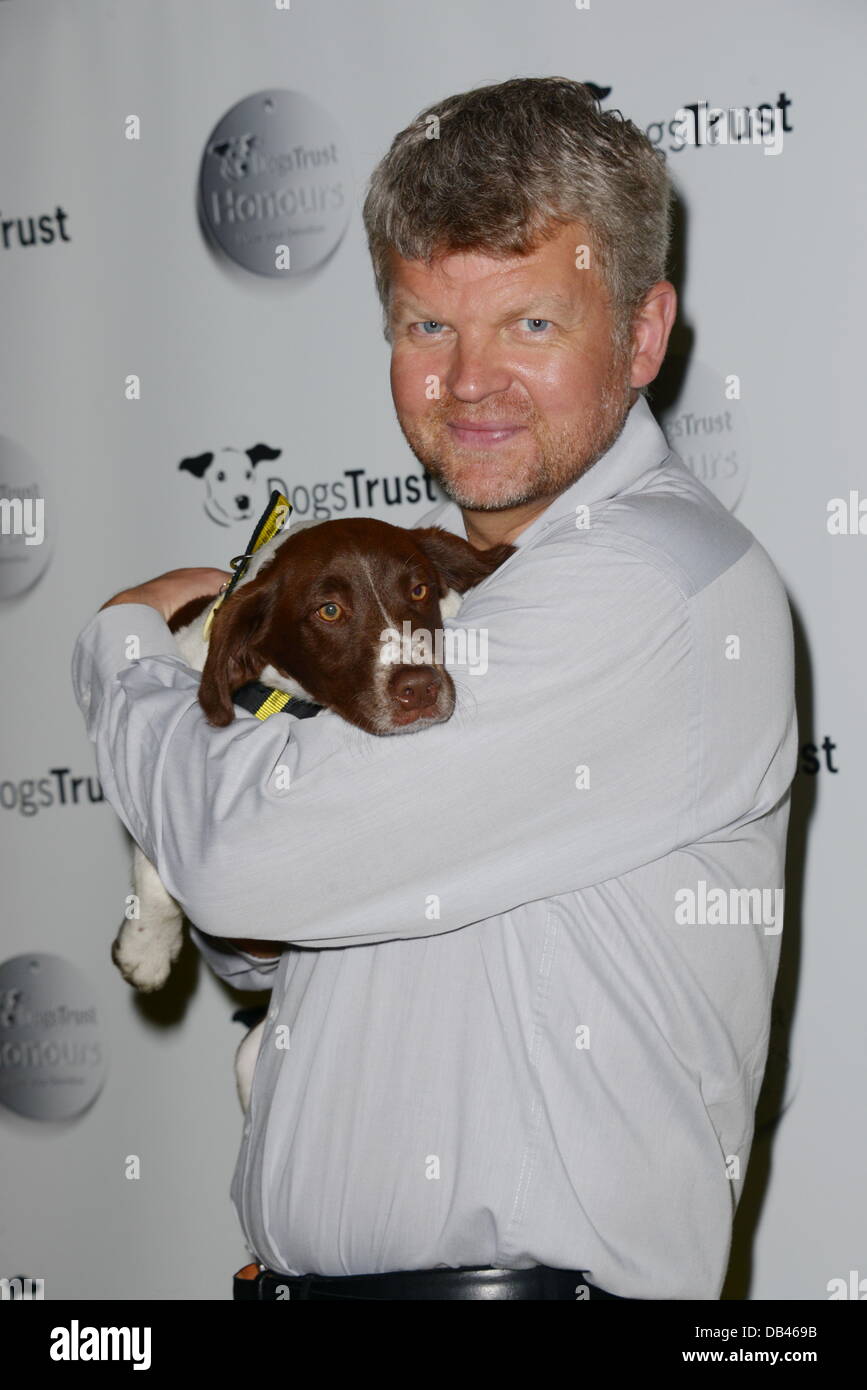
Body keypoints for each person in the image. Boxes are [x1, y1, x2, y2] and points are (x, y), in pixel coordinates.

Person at [70, 77, 797, 1301]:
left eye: (530, 325)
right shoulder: (450, 597)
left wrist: (126, 649)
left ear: (642, 331)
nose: (471, 383)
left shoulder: (647, 581)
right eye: (426, 328)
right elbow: (270, 928)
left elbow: (242, 857)